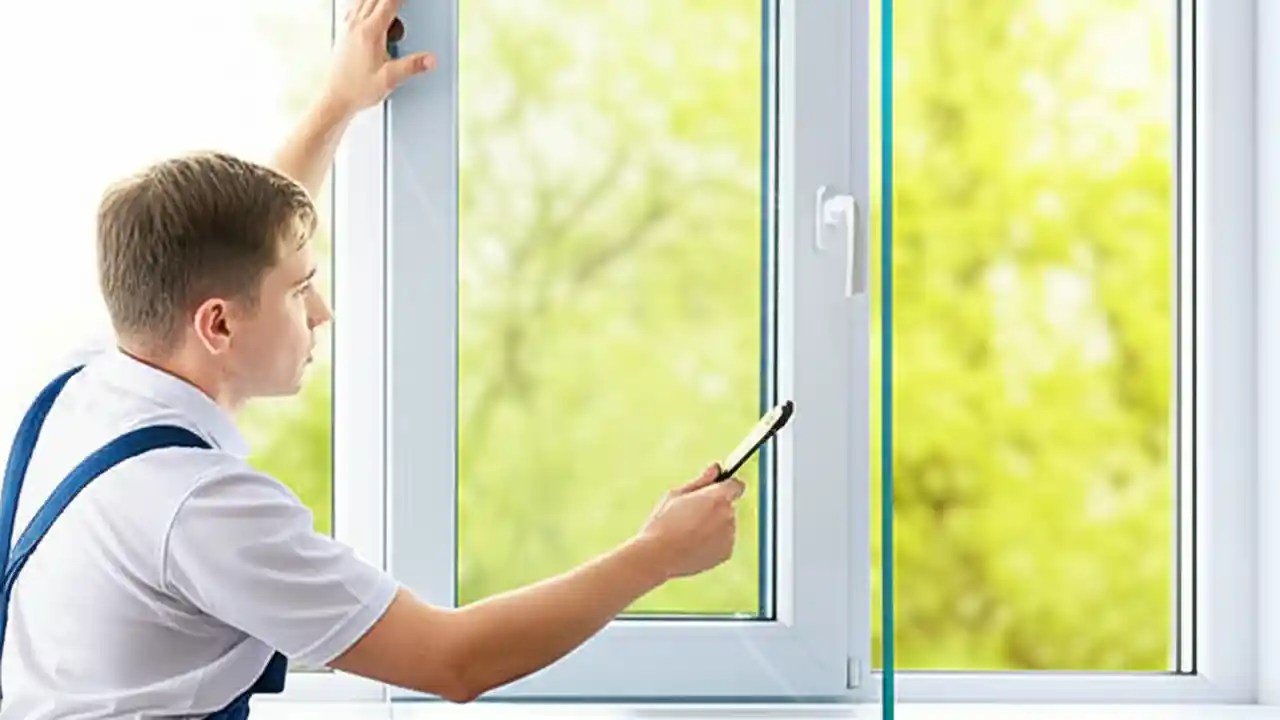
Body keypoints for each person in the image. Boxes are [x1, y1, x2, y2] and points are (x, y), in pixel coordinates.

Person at [0, 0, 746, 716]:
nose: (322, 312)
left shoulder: (90, 383)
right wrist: (655, 555)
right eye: (302, 290)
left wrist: (337, 103)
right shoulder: (199, 510)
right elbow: (455, 662)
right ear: (218, 326)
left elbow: (230, 252)